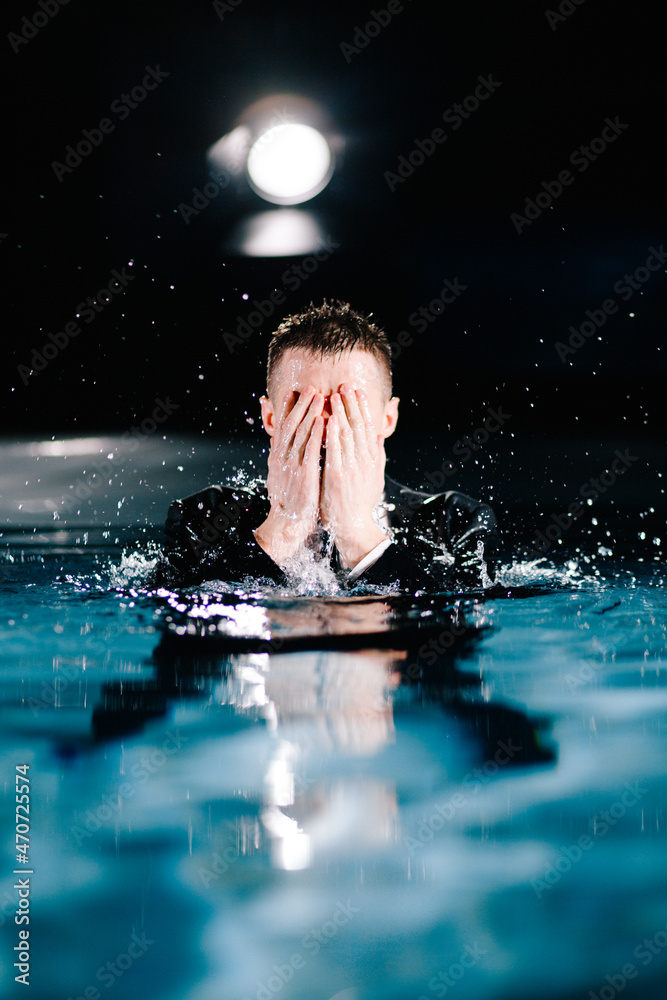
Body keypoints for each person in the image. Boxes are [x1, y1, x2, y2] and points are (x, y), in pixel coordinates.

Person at [157, 301, 499, 592]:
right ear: (272, 419)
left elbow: (454, 638)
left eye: (347, 408)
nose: (326, 428)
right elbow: (181, 632)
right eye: (303, 409)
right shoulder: (203, 517)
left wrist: (357, 532)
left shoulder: (455, 523)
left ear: (387, 419)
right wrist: (284, 527)